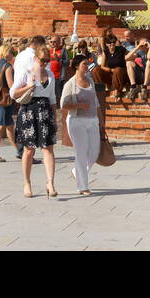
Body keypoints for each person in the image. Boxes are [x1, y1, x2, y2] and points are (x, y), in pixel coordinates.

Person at [12, 43, 58, 197]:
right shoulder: (27, 71)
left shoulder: (50, 75)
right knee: (29, 149)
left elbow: (52, 98)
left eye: (47, 60)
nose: (45, 63)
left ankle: (50, 183)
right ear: (35, 58)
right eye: (42, 60)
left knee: (48, 148)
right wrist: (28, 86)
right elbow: (14, 93)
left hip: (45, 111)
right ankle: (27, 183)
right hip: (29, 110)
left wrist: (55, 118)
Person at [59, 51, 101, 194]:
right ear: (77, 66)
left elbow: (96, 102)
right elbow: (63, 104)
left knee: (94, 153)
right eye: (84, 64)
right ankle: (83, 186)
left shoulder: (90, 80)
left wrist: (100, 120)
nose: (87, 65)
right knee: (81, 152)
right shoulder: (70, 84)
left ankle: (76, 171)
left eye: (87, 63)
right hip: (76, 121)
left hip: (93, 120)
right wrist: (79, 106)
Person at [0, 44, 19, 163]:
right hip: (5, 99)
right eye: (12, 52)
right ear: (7, 53)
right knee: (1, 125)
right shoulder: (7, 67)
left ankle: (19, 150)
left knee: (10, 126)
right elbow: (11, 85)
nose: (13, 54)